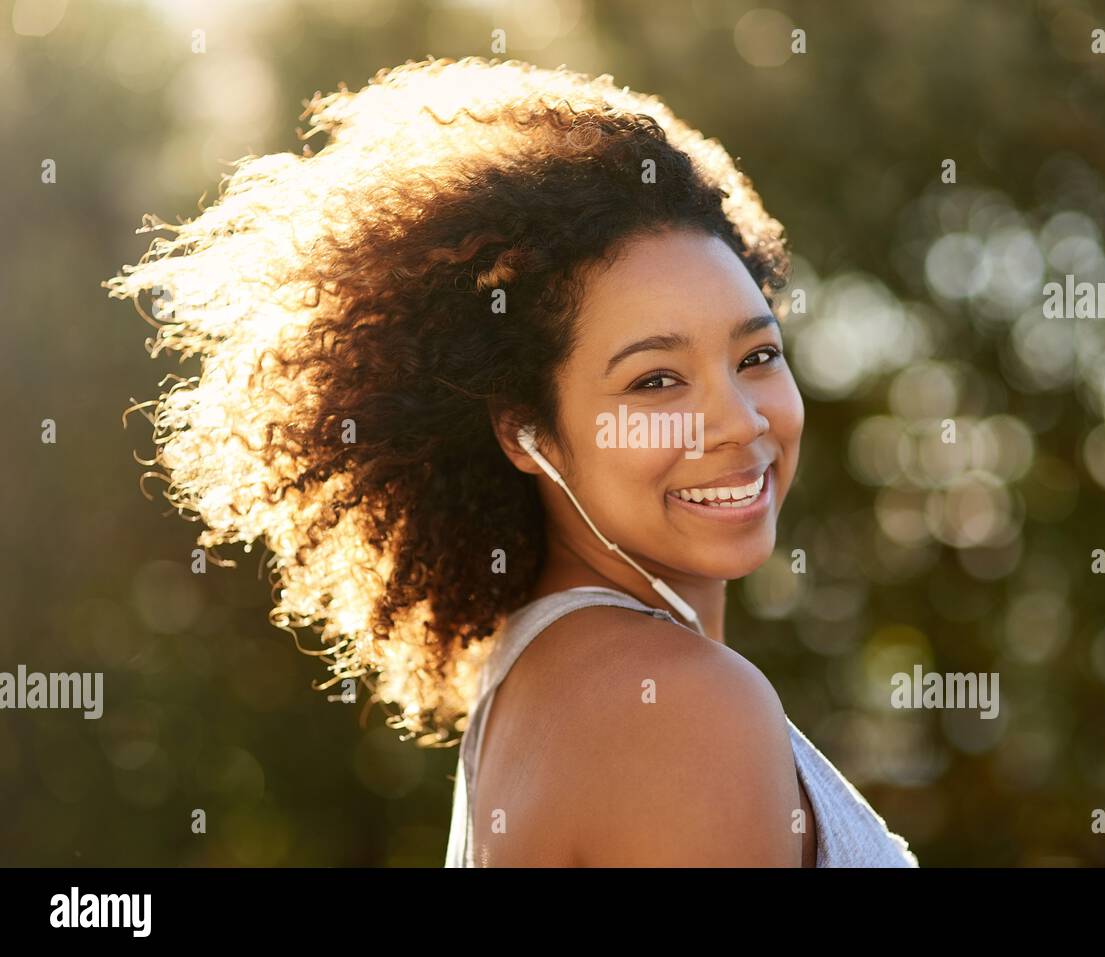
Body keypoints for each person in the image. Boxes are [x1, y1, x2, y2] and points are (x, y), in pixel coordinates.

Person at [104, 56, 917, 868]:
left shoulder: (544, 689)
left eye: (757, 355)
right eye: (656, 379)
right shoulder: (678, 704)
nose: (739, 423)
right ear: (528, 432)